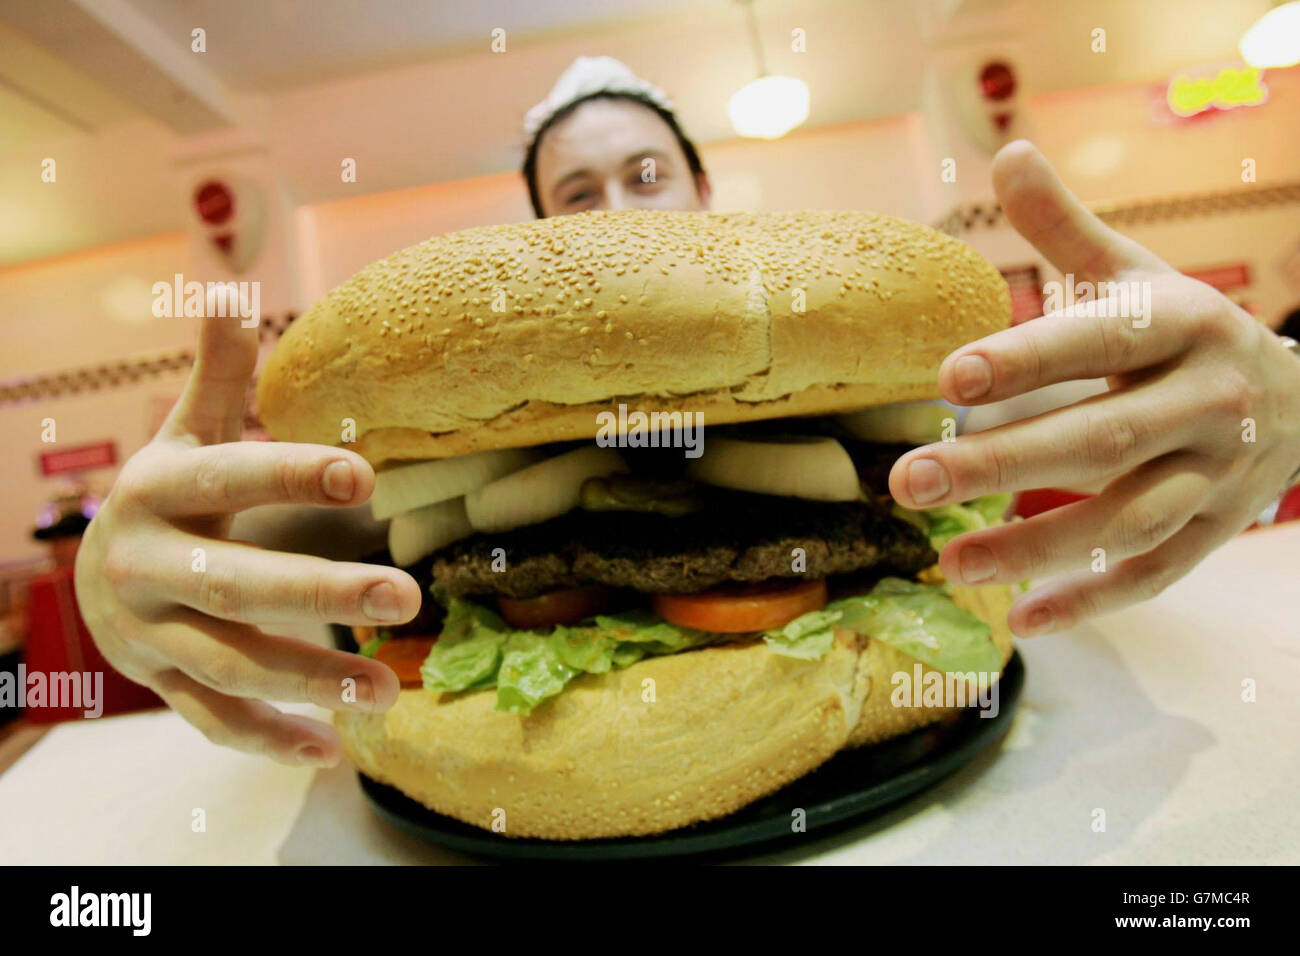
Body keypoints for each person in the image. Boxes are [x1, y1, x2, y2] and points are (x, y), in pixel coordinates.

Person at [74, 57, 1300, 765]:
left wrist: (1270, 391)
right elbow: (329, 533)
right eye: (577, 192)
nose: (615, 207)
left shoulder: (867, 346)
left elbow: (1052, 410)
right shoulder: (483, 399)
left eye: (644, 174)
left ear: (708, 193)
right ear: (543, 232)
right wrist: (132, 569)